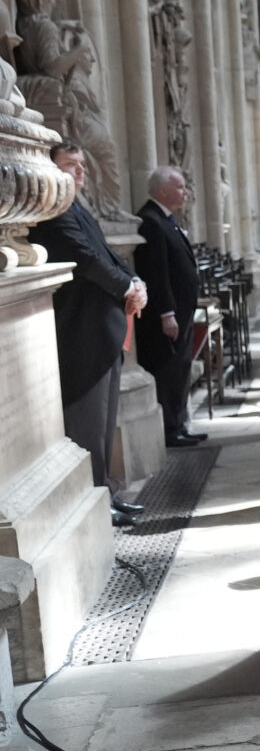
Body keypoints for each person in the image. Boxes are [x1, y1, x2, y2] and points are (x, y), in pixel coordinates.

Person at [32, 140, 148, 527]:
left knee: (104, 421)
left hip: (104, 331)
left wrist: (133, 280)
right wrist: (127, 288)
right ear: (51, 170)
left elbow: (108, 255)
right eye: (70, 165)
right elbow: (86, 258)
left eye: (82, 165)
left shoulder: (75, 207)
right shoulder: (52, 212)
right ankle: (96, 501)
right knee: (87, 423)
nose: (80, 171)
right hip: (83, 333)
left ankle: (107, 493)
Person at [133, 165, 204, 449]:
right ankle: (169, 429)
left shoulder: (166, 219)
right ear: (162, 190)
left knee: (181, 370)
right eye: (180, 187)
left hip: (182, 311)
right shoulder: (150, 220)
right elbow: (156, 272)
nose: (185, 192)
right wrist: (167, 313)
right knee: (169, 371)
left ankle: (179, 423)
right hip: (168, 315)